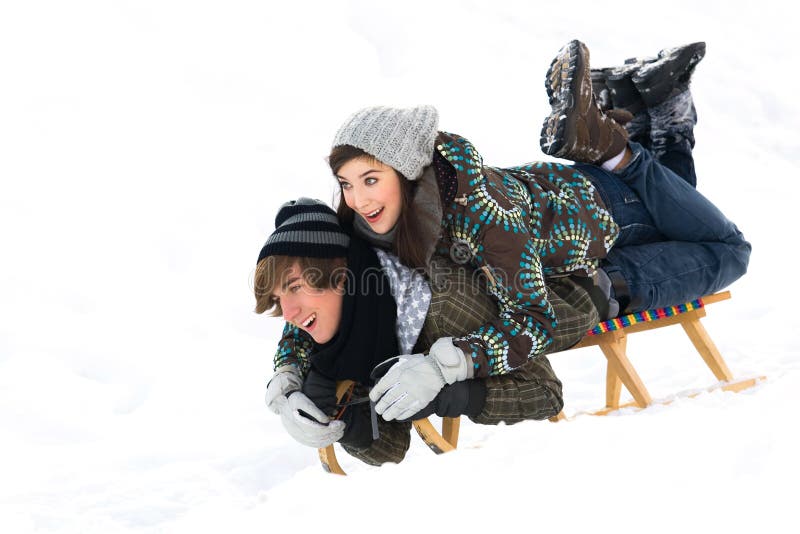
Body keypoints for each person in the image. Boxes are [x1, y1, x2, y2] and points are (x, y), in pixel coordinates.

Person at [327, 39, 751, 424]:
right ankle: (640, 96)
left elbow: (536, 318)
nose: (358, 200)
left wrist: (449, 365)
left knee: (729, 249)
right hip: (571, 212)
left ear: (407, 172)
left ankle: (615, 149)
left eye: (371, 180)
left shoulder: (483, 214)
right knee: (682, 200)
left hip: (607, 212)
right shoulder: (396, 210)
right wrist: (296, 377)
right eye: (346, 184)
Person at [257, 198, 599, 465]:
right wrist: (341, 422)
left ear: (341, 273)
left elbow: (545, 392)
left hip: (579, 283)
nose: (289, 313)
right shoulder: (348, 330)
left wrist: (449, 393)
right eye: (278, 297)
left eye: (295, 287)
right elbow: (390, 449)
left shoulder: (439, 303)